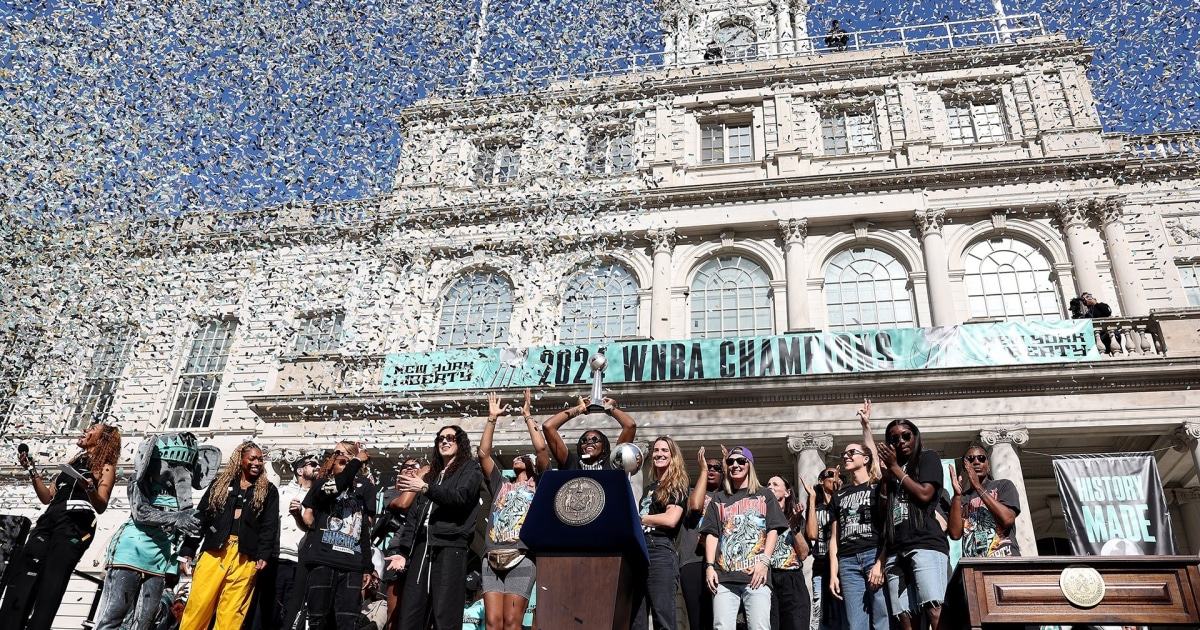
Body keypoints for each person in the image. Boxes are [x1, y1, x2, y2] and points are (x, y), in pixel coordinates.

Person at [0, 422, 121, 630]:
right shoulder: (72, 463)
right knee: (23, 574)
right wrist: (32, 471)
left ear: (102, 439)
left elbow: (101, 505)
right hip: (49, 518)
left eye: (92, 428)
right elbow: (47, 497)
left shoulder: (105, 467)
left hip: (76, 522)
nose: (85, 429)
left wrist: (90, 488)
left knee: (52, 582)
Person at [95, 433, 210, 630]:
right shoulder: (139, 480)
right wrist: (177, 518)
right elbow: (141, 512)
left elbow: (185, 524)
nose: (180, 473)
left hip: (159, 558)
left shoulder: (178, 492)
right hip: (131, 551)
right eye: (173, 465)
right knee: (114, 616)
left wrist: (185, 553)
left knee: (145, 621)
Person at [389, 425, 484, 629]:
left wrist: (425, 487)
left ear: (460, 442)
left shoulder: (470, 469)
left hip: (450, 547)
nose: (445, 441)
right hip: (422, 549)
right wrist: (403, 552)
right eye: (440, 438)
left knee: (445, 615)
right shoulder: (431, 474)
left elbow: (460, 498)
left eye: (450, 437)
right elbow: (413, 517)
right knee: (410, 615)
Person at [178, 441, 280, 630]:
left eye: (260, 459)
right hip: (214, 552)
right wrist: (187, 550)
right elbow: (201, 518)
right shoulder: (220, 485)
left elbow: (269, 525)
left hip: (245, 557)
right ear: (240, 459)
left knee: (232, 613)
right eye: (252, 458)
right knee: (199, 606)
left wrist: (263, 553)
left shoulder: (268, 491)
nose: (257, 463)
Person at [479, 391, 549, 630]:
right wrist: (492, 419)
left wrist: (528, 416)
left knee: (511, 622)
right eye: (517, 456)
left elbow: (541, 451)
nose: (519, 456)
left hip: (521, 556)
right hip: (491, 556)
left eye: (524, 455)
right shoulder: (501, 483)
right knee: (492, 623)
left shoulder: (539, 484)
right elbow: (483, 454)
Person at [700, 446, 788, 630]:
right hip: (724, 577)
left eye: (741, 461)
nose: (735, 465)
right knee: (721, 626)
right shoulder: (719, 499)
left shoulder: (765, 495)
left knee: (760, 626)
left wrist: (764, 562)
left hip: (757, 576)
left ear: (750, 465)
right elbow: (712, 534)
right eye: (731, 461)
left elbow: (773, 530)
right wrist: (709, 566)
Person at [876, 419, 950, 630]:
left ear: (915, 436)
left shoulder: (928, 457)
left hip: (925, 543)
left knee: (934, 609)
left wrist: (896, 469)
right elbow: (883, 515)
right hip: (896, 549)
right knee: (904, 617)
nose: (901, 441)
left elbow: (925, 494)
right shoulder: (891, 470)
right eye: (894, 438)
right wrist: (885, 478)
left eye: (906, 435)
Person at [300, 442, 376, 630]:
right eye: (339, 461)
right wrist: (356, 460)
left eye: (346, 461)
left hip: (352, 566)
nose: (344, 466)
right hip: (324, 561)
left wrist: (367, 567)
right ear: (332, 465)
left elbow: (363, 533)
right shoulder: (321, 485)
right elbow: (338, 484)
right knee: (318, 618)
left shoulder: (359, 496)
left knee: (348, 621)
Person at [829, 400, 887, 630]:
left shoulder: (877, 487)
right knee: (856, 624)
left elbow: (876, 460)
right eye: (844, 454)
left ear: (865, 459)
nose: (846, 456)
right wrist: (834, 573)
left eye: (852, 452)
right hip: (847, 561)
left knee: (882, 618)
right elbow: (834, 538)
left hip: (873, 553)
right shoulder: (839, 496)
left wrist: (866, 427)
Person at [245, 452, 318, 630]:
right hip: (276, 559)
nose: (318, 466)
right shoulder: (279, 493)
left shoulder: (318, 498)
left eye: (318, 464)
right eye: (313, 464)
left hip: (300, 563)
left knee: (291, 615)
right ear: (300, 470)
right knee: (265, 611)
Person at [633, 436, 689, 630]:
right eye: (656, 450)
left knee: (662, 615)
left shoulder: (677, 485)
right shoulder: (648, 489)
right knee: (636, 620)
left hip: (661, 551)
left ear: (673, 456)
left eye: (665, 450)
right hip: (640, 552)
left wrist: (639, 519)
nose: (658, 454)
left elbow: (670, 519)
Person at [948, 446, 1021, 558]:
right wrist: (957, 496)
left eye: (981, 458)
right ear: (964, 467)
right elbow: (955, 534)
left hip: (1004, 557)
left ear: (988, 466)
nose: (976, 462)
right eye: (970, 459)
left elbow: (1007, 519)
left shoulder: (1003, 486)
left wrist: (978, 487)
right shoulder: (961, 498)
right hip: (974, 566)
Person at [680, 447, 722, 630]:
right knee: (697, 619)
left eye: (716, 468)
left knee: (719, 618)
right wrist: (703, 471)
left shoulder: (726, 498)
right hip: (692, 560)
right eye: (708, 466)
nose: (711, 469)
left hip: (720, 562)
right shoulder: (690, 492)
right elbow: (696, 507)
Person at [381, 456, 424, 630]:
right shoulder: (391, 492)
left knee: (418, 609)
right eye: (406, 467)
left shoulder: (427, 492)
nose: (410, 469)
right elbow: (404, 504)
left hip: (420, 549)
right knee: (395, 611)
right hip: (398, 548)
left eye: (415, 467)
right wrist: (420, 475)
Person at [542, 395, 637, 471]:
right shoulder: (571, 464)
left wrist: (610, 408)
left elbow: (630, 426)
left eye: (595, 439)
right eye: (584, 440)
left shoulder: (613, 463)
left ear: (603, 447)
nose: (589, 442)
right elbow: (548, 426)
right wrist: (579, 409)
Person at [801, 466, 844, 630]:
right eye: (831, 475)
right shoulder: (816, 509)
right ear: (821, 481)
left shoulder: (844, 502)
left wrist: (839, 494)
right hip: (821, 565)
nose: (835, 479)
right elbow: (812, 535)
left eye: (839, 476)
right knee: (820, 611)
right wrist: (811, 498)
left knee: (842, 610)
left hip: (843, 565)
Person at [767, 476, 810, 630]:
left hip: (791, 579)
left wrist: (794, 527)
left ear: (787, 493)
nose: (770, 486)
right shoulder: (760, 519)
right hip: (767, 581)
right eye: (768, 484)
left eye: (775, 484)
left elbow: (803, 554)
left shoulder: (796, 518)